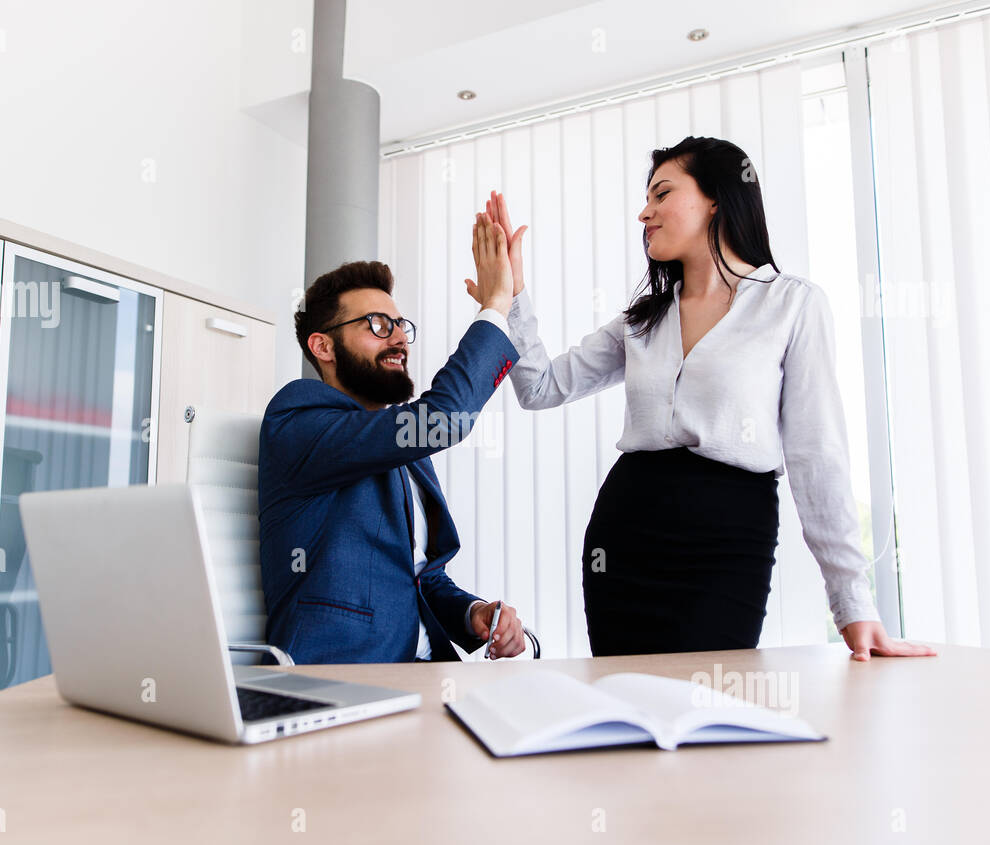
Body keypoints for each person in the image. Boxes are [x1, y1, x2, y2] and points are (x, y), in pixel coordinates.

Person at [469, 135, 935, 662]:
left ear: (715, 196)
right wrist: (511, 298)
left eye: (661, 194)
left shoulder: (792, 305)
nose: (644, 212)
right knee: (627, 707)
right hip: (626, 532)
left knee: (710, 705)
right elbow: (540, 388)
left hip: (729, 537)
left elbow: (816, 454)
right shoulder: (642, 320)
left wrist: (853, 605)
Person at [258, 222, 532, 664]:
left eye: (400, 324)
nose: (400, 337)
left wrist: (473, 613)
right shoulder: (297, 416)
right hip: (343, 676)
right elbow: (443, 418)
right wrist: (497, 303)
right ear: (323, 346)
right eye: (378, 324)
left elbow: (421, 578)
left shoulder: (402, 450)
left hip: (425, 677)